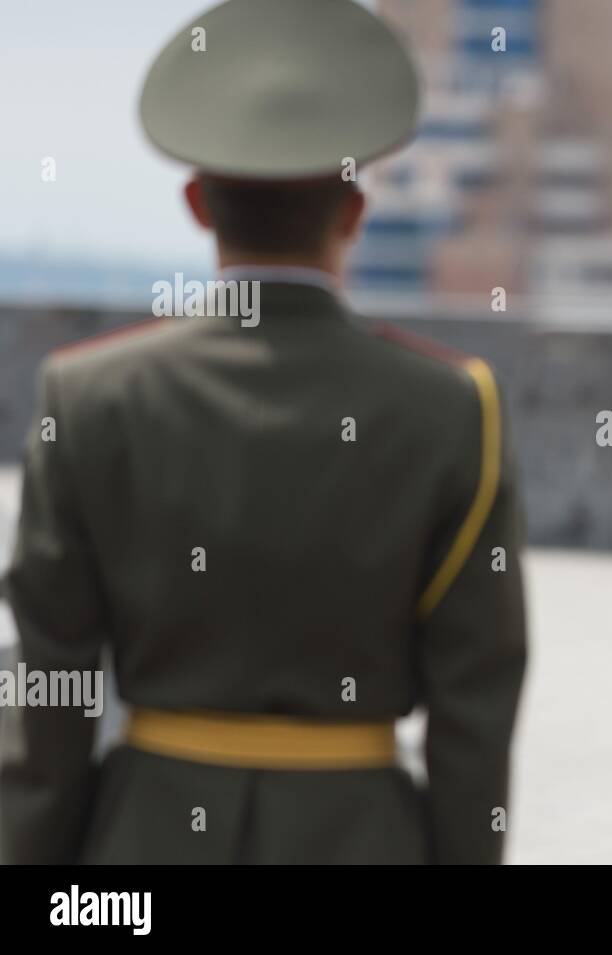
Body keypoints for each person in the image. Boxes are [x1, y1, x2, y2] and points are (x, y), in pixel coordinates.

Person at [0, 0, 527, 864]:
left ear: (198, 204)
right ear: (353, 210)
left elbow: (50, 696)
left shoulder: (88, 396)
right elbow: (475, 708)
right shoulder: (453, 408)